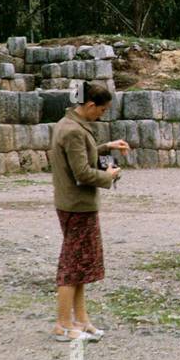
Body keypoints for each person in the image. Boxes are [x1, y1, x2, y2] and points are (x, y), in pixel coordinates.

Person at [49, 82, 130, 341]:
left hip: (75, 204)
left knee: (81, 265)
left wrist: (106, 147)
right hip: (77, 206)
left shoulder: (69, 124)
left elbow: (81, 156)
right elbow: (82, 172)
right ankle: (62, 324)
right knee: (72, 266)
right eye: (102, 110)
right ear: (91, 105)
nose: (102, 115)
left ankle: (81, 320)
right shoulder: (74, 131)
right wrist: (108, 176)